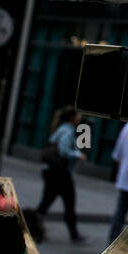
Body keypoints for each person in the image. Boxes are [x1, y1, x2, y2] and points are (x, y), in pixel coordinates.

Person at [33, 105, 86, 244]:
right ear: (72, 118)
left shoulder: (60, 128)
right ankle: (74, 235)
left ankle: (32, 229)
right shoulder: (67, 131)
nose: (80, 118)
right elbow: (63, 151)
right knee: (68, 202)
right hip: (60, 174)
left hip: (53, 172)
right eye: (78, 115)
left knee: (47, 202)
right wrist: (77, 155)